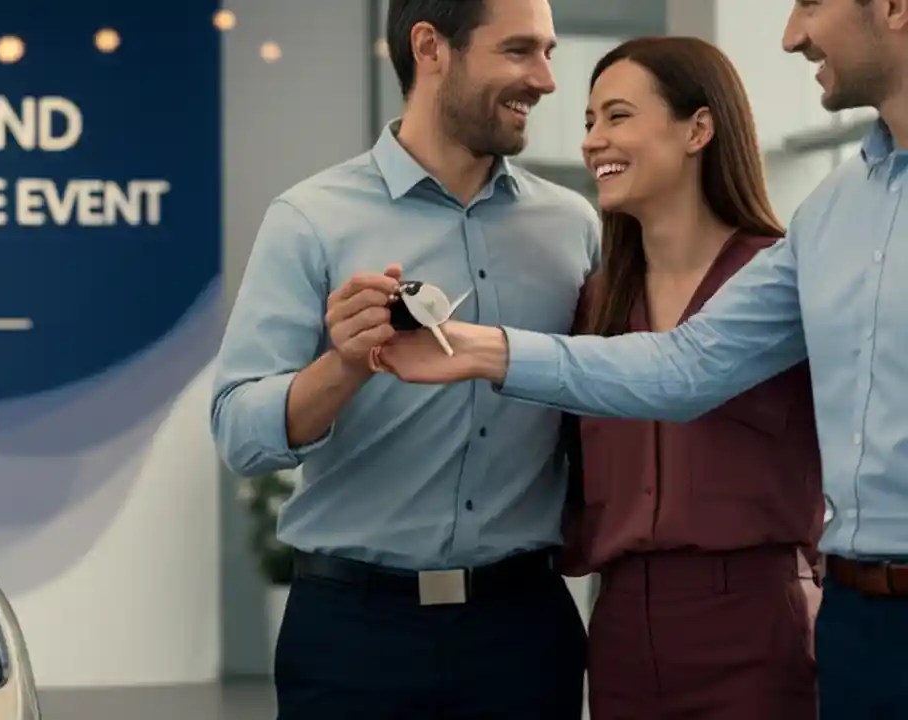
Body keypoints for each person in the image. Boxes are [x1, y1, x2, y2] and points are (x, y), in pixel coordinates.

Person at [369, 1, 908, 717]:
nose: (790, 35)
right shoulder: (828, 218)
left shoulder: (774, 246)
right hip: (842, 623)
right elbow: (682, 369)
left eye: (810, 2)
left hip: (763, 621)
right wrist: (482, 349)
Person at [210, 0, 600, 716]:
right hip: (353, 636)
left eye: (547, 51)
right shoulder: (310, 219)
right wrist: (345, 365)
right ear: (430, 48)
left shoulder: (574, 227)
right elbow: (239, 432)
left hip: (525, 630)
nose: (546, 79)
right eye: (519, 51)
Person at [564, 36, 823, 718]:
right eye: (588, 122)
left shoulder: (784, 280)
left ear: (699, 129)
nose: (594, 141)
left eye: (616, 116)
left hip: (756, 624)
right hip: (618, 627)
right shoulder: (593, 302)